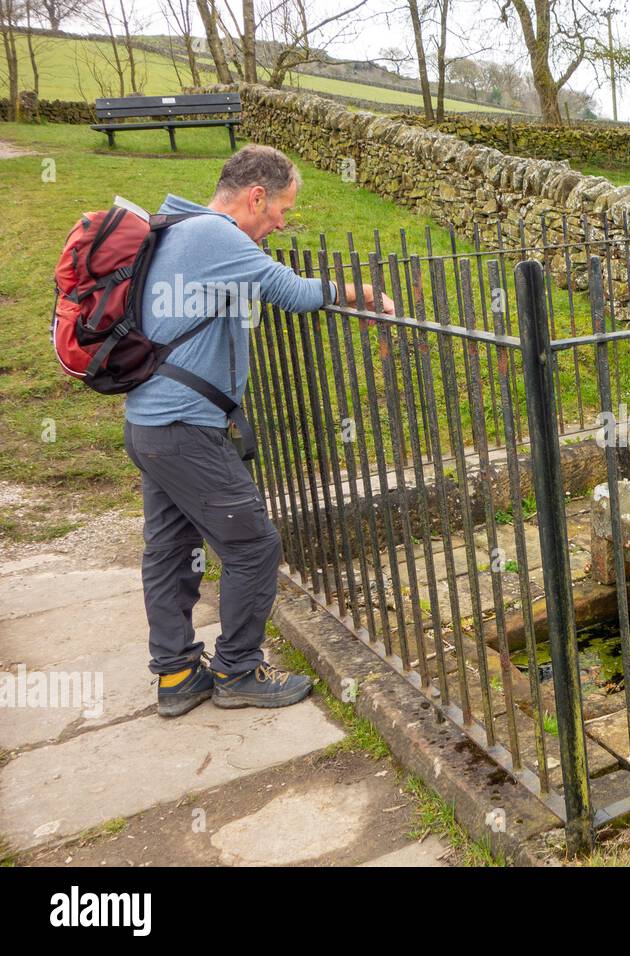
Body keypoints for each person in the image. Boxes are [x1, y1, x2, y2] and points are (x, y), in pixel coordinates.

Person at [123, 144, 393, 718]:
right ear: (256, 196)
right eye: (282, 211)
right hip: (184, 429)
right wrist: (360, 294)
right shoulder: (214, 235)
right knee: (254, 547)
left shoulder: (176, 227)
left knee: (171, 550)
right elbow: (291, 293)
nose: (281, 223)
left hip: (150, 425)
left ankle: (176, 676)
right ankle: (240, 670)